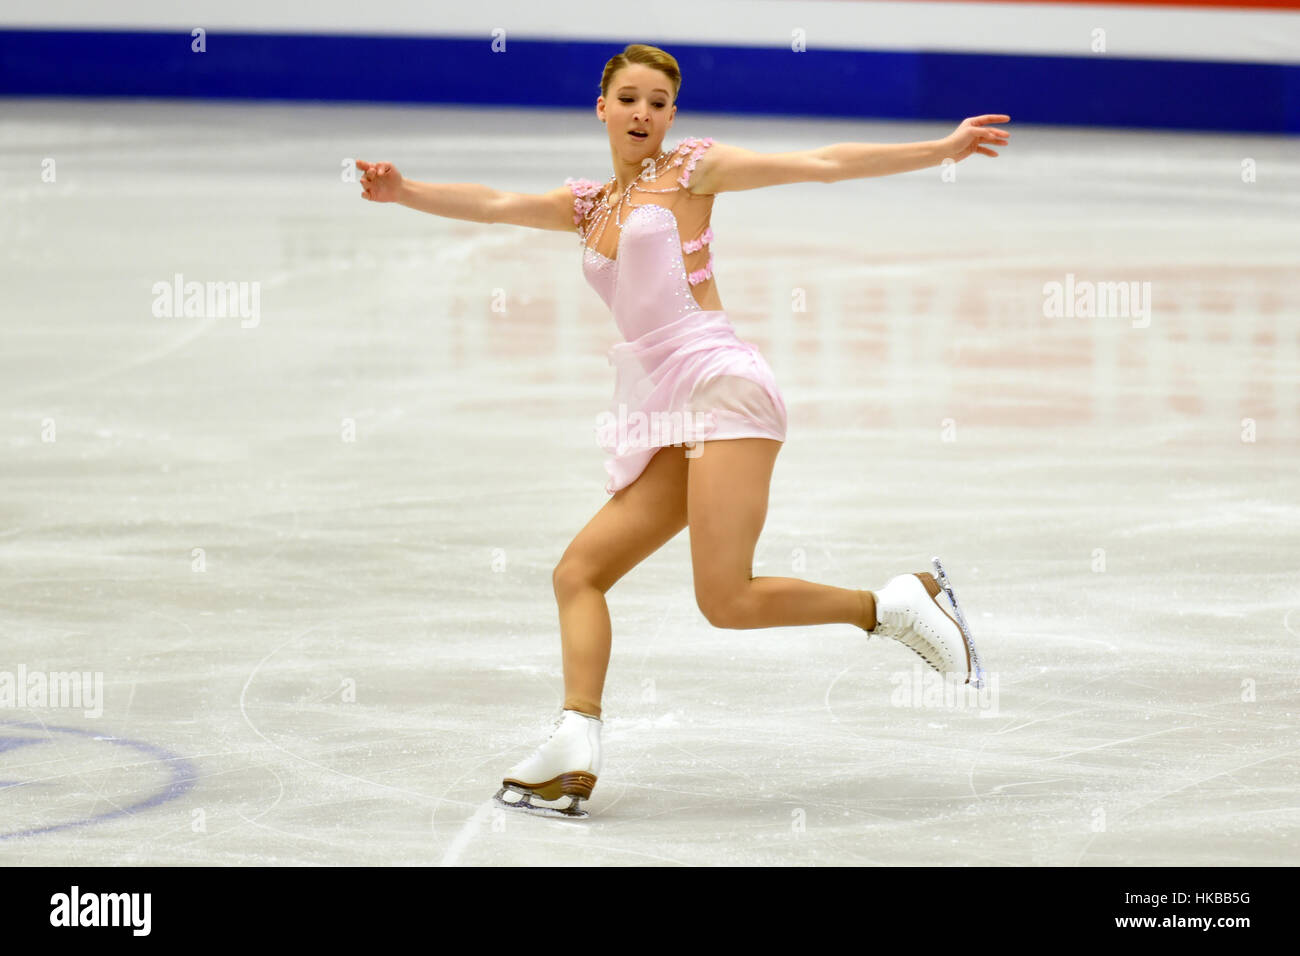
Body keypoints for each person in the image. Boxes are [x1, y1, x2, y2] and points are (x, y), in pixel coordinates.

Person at [355, 43, 1009, 819]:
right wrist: (405, 193)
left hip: (723, 390)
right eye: (629, 98)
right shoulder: (589, 205)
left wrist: (940, 148)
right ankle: (575, 739)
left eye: (658, 102)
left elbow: (822, 162)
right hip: (665, 409)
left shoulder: (693, 172)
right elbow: (495, 204)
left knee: (725, 597)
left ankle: (895, 606)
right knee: (581, 573)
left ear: (672, 115)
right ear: (602, 107)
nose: (643, 114)